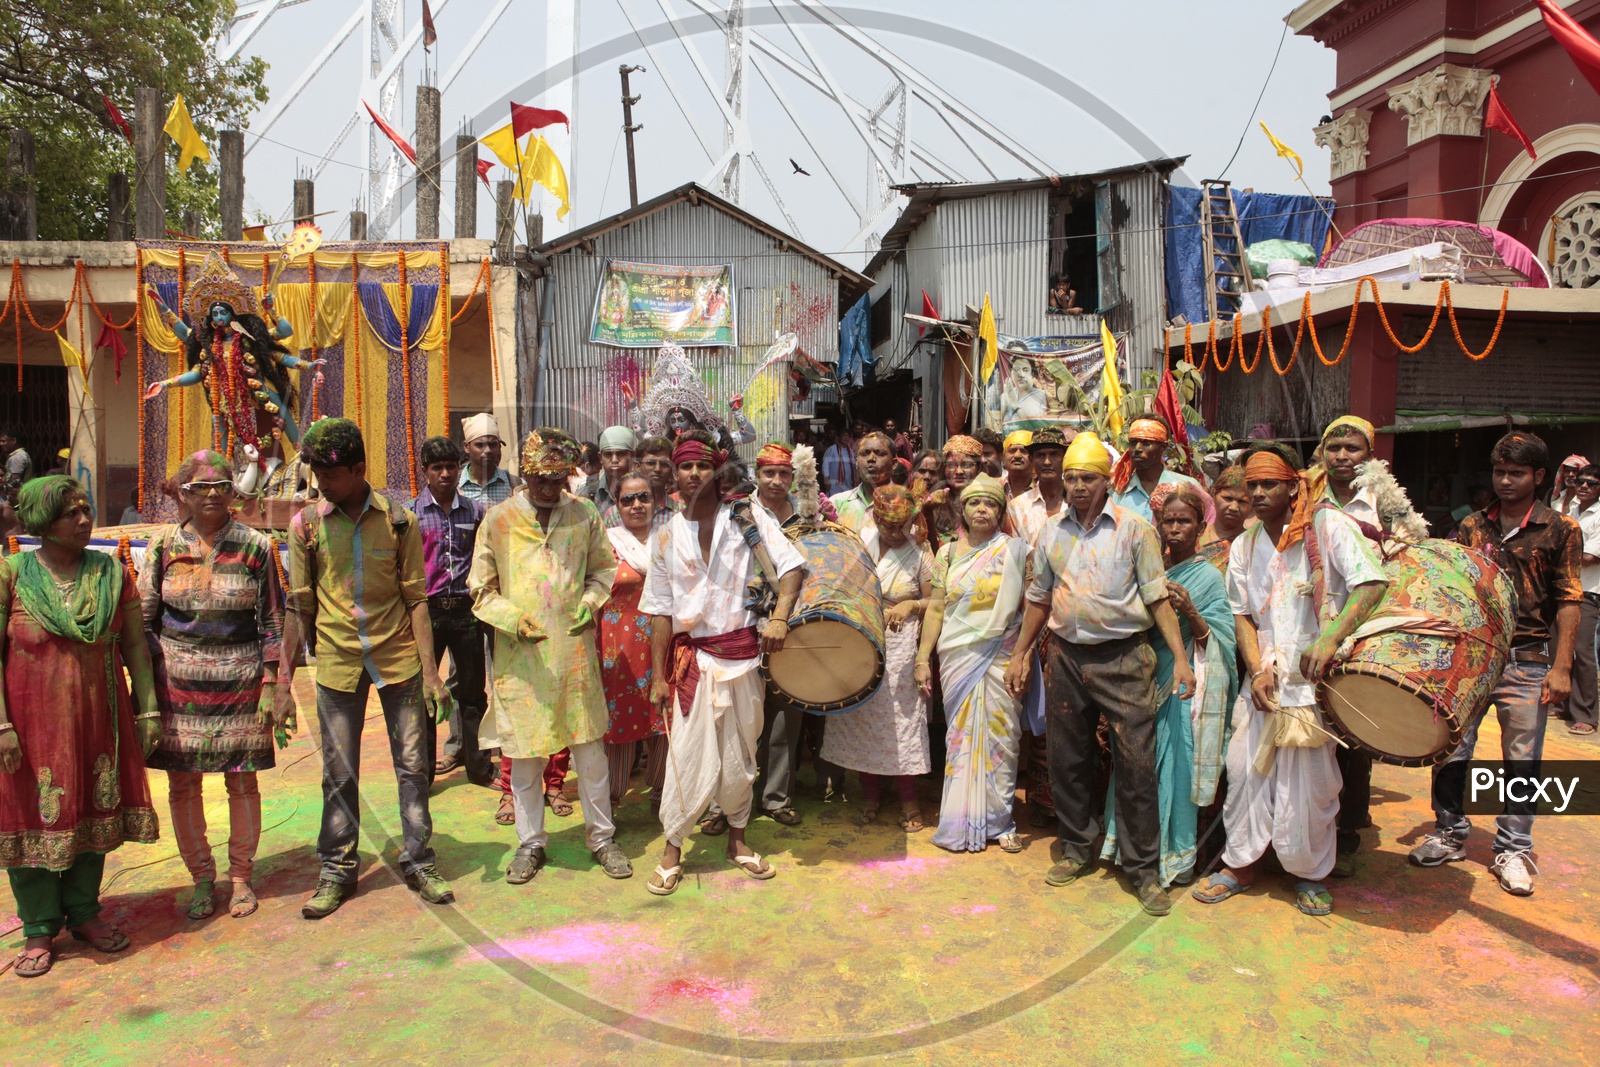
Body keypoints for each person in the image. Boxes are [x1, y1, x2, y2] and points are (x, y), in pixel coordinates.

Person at [1192, 443, 1387, 917]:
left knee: (1311, 785)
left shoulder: (1327, 527)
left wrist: (1330, 638)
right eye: (1250, 485)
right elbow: (1242, 615)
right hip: (1265, 683)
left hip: (1315, 687)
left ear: (1292, 485)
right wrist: (1256, 669)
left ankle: (1309, 873)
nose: (1257, 493)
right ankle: (1240, 865)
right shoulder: (1246, 543)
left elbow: (1373, 583)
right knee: (1243, 773)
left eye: (1268, 484)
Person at [1003, 432, 1193, 916]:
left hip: (1125, 657)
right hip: (1066, 655)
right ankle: (1076, 848)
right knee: (1068, 759)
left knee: (1135, 764)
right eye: (1070, 478)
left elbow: (1156, 598)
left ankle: (1143, 870)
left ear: (1107, 481)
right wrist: (1021, 652)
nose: (1078, 487)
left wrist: (1182, 659)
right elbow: (1038, 598)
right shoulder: (1052, 532)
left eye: (1087, 478)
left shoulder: (1135, 530)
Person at [278, 418, 456, 918]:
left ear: (359, 469)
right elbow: (298, 606)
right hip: (336, 662)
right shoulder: (305, 526)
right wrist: (281, 685)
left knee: (414, 768)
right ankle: (337, 870)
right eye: (315, 474)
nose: (321, 485)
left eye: (331, 475)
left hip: (398, 660)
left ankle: (420, 861)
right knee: (338, 774)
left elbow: (417, 600)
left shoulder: (399, 522)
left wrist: (432, 674)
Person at [0, 477, 160, 977]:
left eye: (86, 509)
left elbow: (135, 645)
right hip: (27, 724)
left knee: (94, 811)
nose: (85, 520)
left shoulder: (111, 572)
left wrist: (147, 710)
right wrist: (1, 724)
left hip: (98, 717)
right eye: (72, 513)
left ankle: (86, 914)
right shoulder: (10, 574)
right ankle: (39, 928)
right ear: (42, 522)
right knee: (31, 818)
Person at [1412, 431, 1582, 896]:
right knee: (1450, 747)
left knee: (1522, 760)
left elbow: (1569, 600)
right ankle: (1449, 833)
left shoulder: (1560, 529)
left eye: (1517, 473)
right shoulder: (1472, 527)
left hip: (1527, 660)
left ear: (1539, 476)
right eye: (1500, 472)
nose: (1505, 481)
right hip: (1469, 659)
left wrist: (1562, 666)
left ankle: (1513, 847)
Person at [638, 432, 804, 895]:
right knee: (685, 755)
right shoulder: (666, 534)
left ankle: (738, 840)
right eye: (685, 467)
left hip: (745, 658)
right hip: (693, 662)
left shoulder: (749, 519)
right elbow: (660, 611)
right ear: (675, 473)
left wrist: (780, 619)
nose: (694, 474)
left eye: (702, 466)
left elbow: (792, 569)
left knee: (741, 756)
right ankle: (673, 848)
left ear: (716, 471)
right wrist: (656, 678)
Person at [470, 428, 630, 885]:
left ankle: (601, 837)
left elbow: (603, 568)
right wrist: (511, 619)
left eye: (558, 478)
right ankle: (530, 842)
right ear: (525, 472)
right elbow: (481, 589)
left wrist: (591, 600)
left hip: (575, 653)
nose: (549, 486)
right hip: (522, 660)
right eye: (541, 477)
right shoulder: (499, 520)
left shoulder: (583, 515)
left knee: (590, 753)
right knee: (525, 756)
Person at [140, 451, 285, 921]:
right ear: (182, 493)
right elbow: (144, 622)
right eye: (198, 488)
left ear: (233, 493)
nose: (210, 496)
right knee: (183, 787)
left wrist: (271, 684)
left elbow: (272, 621)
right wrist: (145, 695)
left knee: (242, 782)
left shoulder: (255, 546)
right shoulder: (161, 546)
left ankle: (241, 875)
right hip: (176, 686)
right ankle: (201, 876)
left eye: (219, 486)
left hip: (241, 684)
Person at [1099, 483, 1237, 887]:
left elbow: (1223, 641)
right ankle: (1127, 848)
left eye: (1185, 521)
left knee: (1175, 765)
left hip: (1181, 683)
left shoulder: (1209, 576)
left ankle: (1172, 855)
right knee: (1134, 763)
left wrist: (1189, 611)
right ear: (1158, 525)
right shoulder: (1149, 566)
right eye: (1168, 521)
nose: (1175, 528)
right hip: (1141, 678)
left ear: (1200, 526)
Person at [916, 474, 1028, 853]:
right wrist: (920, 658)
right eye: (974, 503)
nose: (982, 509)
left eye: (990, 503)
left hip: (1002, 658)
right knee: (960, 738)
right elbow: (936, 607)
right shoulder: (946, 554)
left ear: (1000, 511)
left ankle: (1000, 821)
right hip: (957, 658)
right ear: (961, 510)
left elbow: (1030, 608)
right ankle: (959, 820)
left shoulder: (1016, 551)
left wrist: (1025, 656)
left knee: (1002, 737)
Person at [822, 484, 933, 832]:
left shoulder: (921, 553)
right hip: (861, 640)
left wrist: (911, 604)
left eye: (902, 526)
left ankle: (908, 799)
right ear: (876, 519)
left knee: (902, 722)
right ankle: (869, 795)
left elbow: (938, 602)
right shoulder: (860, 545)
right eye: (888, 526)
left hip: (902, 647)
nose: (896, 533)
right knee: (863, 719)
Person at [1311, 415, 1384, 877]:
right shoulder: (1306, 498)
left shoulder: (1386, 503)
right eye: (1333, 448)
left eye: (1353, 448)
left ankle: (1347, 830)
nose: (1341, 456)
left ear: (1369, 454)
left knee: (1354, 736)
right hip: (1311, 625)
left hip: (1365, 625)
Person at [412, 437, 492, 787]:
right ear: (425, 472)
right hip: (425, 612)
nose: (445, 474)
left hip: (466, 611)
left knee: (472, 694)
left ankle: (479, 769)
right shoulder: (409, 515)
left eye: (450, 467)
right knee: (424, 694)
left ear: (459, 470)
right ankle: (423, 774)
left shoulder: (475, 512)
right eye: (437, 468)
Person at [1006, 427, 1070, 828]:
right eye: (1040, 455)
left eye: (1053, 454)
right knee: (1031, 707)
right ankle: (1036, 796)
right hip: (1028, 611)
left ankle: (1062, 801)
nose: (1046, 461)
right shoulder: (1017, 507)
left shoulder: (1079, 500)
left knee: (1064, 710)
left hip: (1068, 613)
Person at [747, 444, 812, 826]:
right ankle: (725, 802)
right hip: (741, 624)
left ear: (793, 477)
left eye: (783, 474)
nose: (776, 481)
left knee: (785, 714)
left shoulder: (808, 513)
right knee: (738, 716)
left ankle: (775, 797)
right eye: (768, 473)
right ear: (757, 475)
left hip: (793, 625)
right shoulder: (740, 511)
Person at [599, 471, 668, 810]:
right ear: (617, 505)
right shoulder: (605, 541)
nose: (637, 505)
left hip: (663, 646)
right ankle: (611, 799)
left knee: (664, 721)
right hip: (619, 651)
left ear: (657, 502)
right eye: (628, 499)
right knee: (618, 725)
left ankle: (661, 795)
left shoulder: (670, 539)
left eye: (644, 497)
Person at [1109, 414, 1208, 526]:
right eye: (1133, 442)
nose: (1137, 449)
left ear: (1163, 448)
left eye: (1146, 443)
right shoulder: (1117, 492)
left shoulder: (1186, 486)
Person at [1564, 464, 1600, 737]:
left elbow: (1590, 557)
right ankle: (1565, 705)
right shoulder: (1571, 509)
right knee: (1559, 647)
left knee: (1582, 652)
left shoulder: (1598, 514)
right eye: (1580, 481)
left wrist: (1555, 555)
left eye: (1592, 483)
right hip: (1565, 587)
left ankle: (1587, 714)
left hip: (1588, 590)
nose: (1584, 486)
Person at [831, 431, 895, 533]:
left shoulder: (906, 505)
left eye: (879, 453)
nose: (871, 459)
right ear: (856, 463)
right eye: (865, 453)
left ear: (894, 464)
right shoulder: (837, 504)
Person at [927, 435, 983, 546]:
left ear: (978, 468)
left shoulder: (989, 502)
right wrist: (927, 512)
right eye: (951, 465)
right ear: (944, 469)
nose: (959, 471)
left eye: (966, 465)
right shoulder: (933, 503)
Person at [1197, 465, 1251, 575]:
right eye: (1227, 498)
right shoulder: (1193, 536)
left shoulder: (1252, 543)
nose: (1233, 507)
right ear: (1213, 494)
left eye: (1242, 501)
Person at [459, 413, 517, 509]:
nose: (488, 450)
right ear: (466, 447)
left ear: (499, 447)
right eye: (480, 445)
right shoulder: (455, 485)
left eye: (492, 444)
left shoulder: (516, 485)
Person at [589, 426, 639, 524]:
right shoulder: (587, 494)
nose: (614, 460)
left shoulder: (645, 494)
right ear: (600, 457)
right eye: (608, 454)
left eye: (621, 454)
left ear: (632, 455)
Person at [0, 427, 32, 504]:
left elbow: (16, 481)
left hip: (18, 498)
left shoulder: (17, 457)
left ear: (14, 440)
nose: (1, 444)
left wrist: (2, 488)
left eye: (3, 441)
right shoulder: (19, 455)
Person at [822, 426, 855, 495]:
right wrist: (826, 480)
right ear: (839, 437)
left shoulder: (850, 451)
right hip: (833, 485)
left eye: (848, 436)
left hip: (847, 483)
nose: (846, 438)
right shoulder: (831, 449)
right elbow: (825, 465)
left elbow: (854, 466)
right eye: (844, 435)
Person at [1002, 430, 1034, 500]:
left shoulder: (1043, 489)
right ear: (1003, 456)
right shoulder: (995, 486)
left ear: (1033, 457)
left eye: (1024, 451)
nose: (1017, 455)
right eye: (1012, 451)